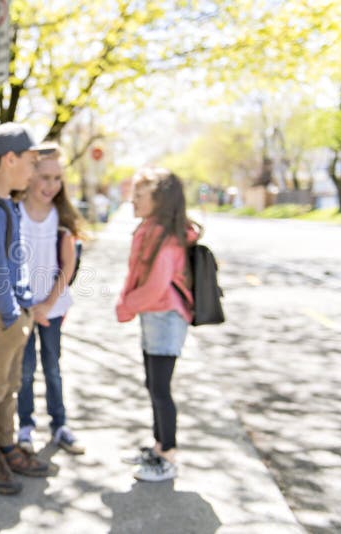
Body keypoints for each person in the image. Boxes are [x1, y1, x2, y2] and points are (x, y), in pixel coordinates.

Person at [0, 122, 53, 495]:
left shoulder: (8, 206)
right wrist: (10, 314)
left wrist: (24, 307)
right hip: (3, 314)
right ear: (10, 159)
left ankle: (5, 447)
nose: (34, 171)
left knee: (11, 387)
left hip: (17, 311)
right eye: (31, 162)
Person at [115, 167, 199, 482]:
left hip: (165, 318)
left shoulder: (166, 237)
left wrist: (127, 306)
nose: (133, 200)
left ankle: (168, 456)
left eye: (139, 196)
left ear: (160, 200)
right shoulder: (152, 229)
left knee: (161, 389)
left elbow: (156, 285)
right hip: (155, 316)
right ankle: (158, 445)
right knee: (154, 385)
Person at [16, 145, 86, 456]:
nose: (51, 185)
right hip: (23, 308)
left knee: (52, 367)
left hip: (53, 308)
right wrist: (30, 306)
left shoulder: (62, 218)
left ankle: (60, 425)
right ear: (30, 176)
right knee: (25, 369)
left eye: (57, 178)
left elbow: (67, 266)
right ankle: (25, 426)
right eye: (45, 177)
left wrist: (46, 305)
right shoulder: (13, 212)